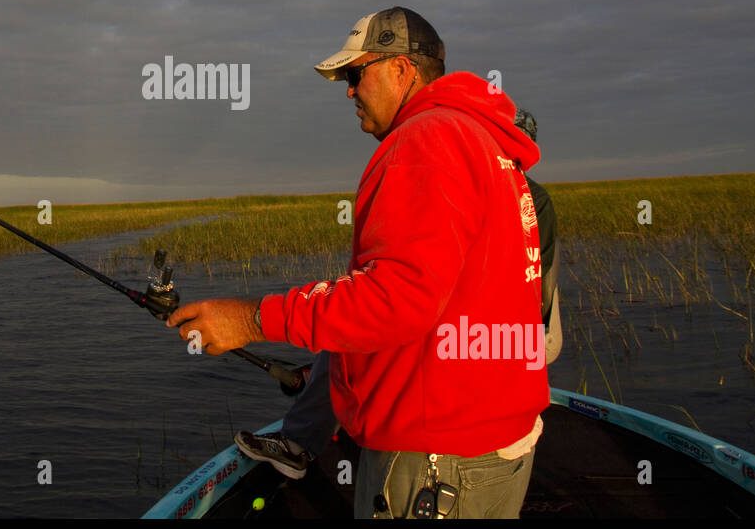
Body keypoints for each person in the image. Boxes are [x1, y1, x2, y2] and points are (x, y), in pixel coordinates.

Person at [167, 7, 551, 518]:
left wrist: (249, 319)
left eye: (355, 73)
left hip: (437, 456)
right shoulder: (488, 144)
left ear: (401, 69)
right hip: (500, 441)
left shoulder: (425, 139)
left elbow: (395, 299)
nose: (348, 90)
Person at [234, 107, 561, 483]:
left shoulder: (475, 178)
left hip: (480, 341)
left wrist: (256, 318)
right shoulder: (527, 192)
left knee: (352, 338)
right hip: (518, 343)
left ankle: (299, 443)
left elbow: (404, 295)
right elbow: (534, 275)